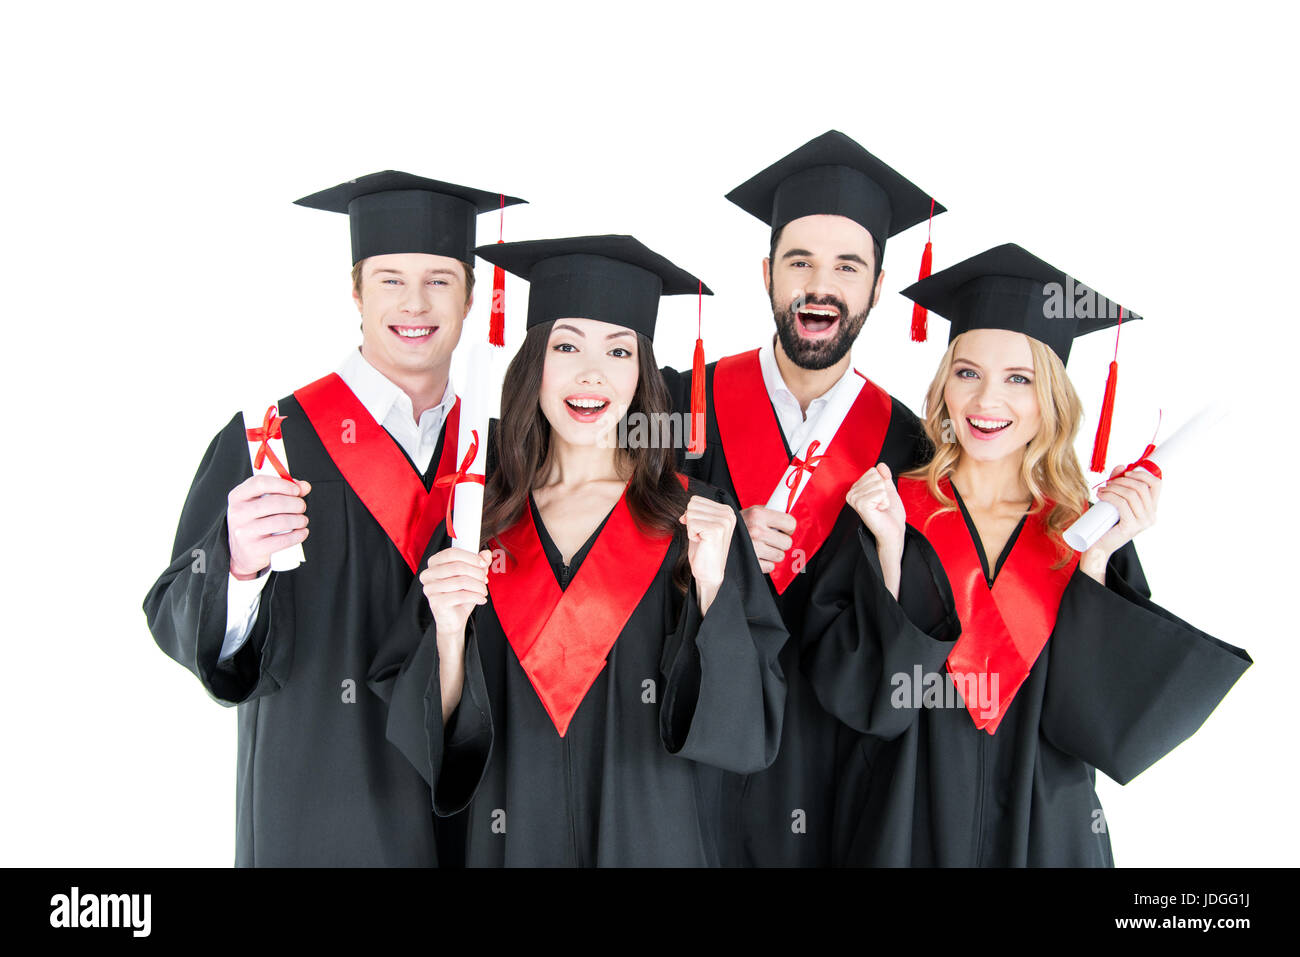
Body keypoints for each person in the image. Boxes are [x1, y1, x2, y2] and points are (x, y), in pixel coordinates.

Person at [819, 243, 1252, 865]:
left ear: (1051, 397)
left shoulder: (1083, 532)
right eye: (967, 373)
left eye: (1018, 379)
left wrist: (1097, 561)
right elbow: (859, 700)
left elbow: (1101, 724)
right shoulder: (886, 511)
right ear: (944, 385)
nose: (986, 401)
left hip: (1044, 830)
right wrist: (889, 551)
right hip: (901, 821)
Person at [143, 170, 525, 866]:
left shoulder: (504, 456)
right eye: (389, 279)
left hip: (467, 814)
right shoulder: (271, 441)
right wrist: (236, 565)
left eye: (441, 279)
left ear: (472, 296)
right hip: (318, 809)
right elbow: (174, 610)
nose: (416, 303)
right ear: (355, 290)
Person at [370, 235, 789, 866]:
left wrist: (711, 593)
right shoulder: (476, 521)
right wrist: (451, 635)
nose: (591, 372)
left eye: (619, 351)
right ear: (534, 366)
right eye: (567, 346)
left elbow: (748, 734)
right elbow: (431, 743)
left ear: (641, 376)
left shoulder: (695, 520)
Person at [659, 130, 944, 865]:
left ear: (878, 285)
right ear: (766, 273)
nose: (821, 285)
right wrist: (698, 548)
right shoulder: (679, 406)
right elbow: (601, 532)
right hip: (684, 769)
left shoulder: (911, 450)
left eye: (847, 266)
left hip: (833, 793)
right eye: (799, 262)